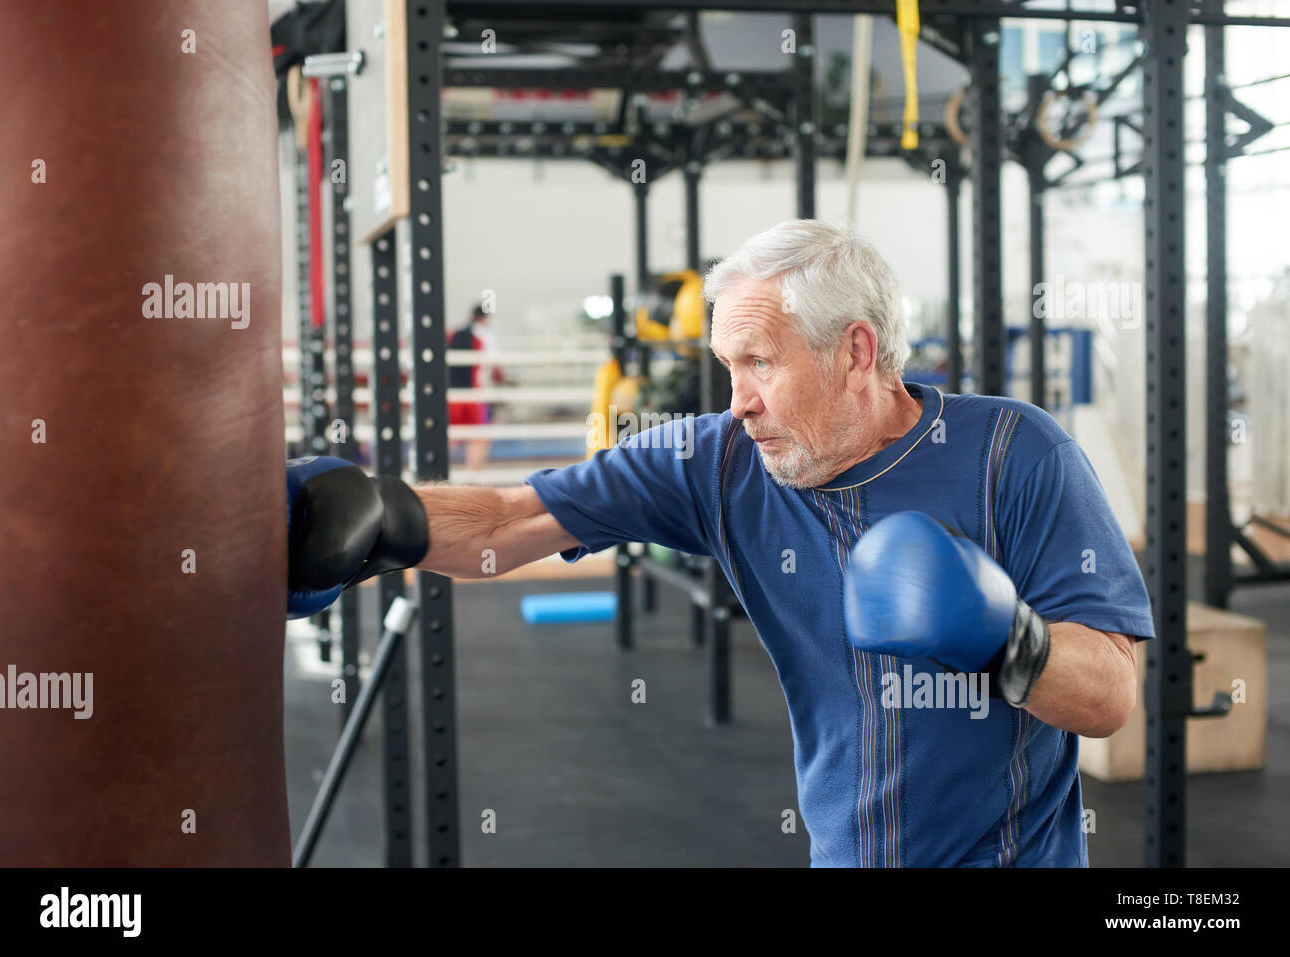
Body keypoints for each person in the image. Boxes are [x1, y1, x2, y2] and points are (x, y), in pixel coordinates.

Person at [287, 219, 1154, 867]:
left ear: (856, 351)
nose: (736, 399)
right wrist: (385, 516)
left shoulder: (1017, 453)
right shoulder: (719, 460)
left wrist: (1004, 636)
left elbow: (1112, 694)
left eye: (760, 363)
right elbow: (514, 521)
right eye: (726, 367)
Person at [447, 302, 505, 472]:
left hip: (453, 395)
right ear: (485, 318)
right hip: (476, 395)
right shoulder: (486, 335)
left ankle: (431, 475)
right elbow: (496, 365)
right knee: (479, 437)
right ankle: (475, 477)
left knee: (450, 438)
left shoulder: (455, 333)